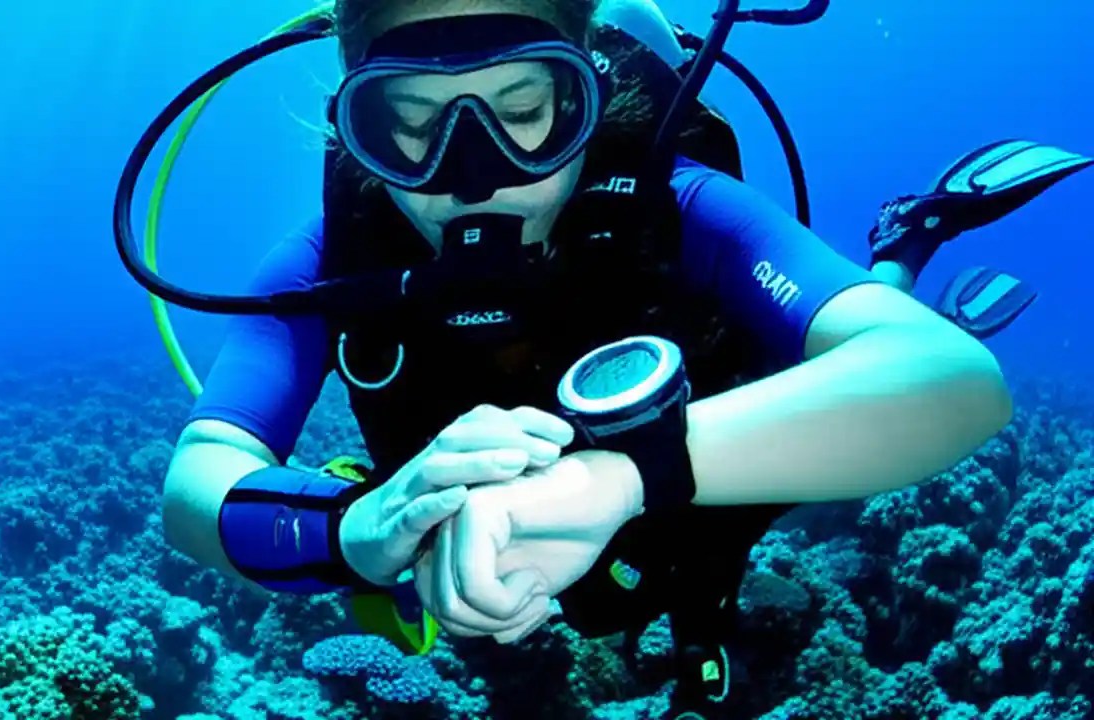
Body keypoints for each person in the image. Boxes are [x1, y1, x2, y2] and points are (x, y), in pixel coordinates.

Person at [116, 1, 1092, 717]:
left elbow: (949, 382)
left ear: (589, 91)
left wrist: (617, 477)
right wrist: (353, 529)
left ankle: (900, 244)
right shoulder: (332, 257)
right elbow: (194, 486)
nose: (473, 173)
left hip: (709, 485)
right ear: (354, 130)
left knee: (750, 536)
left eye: (523, 107)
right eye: (411, 124)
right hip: (559, 534)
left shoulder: (673, 202)